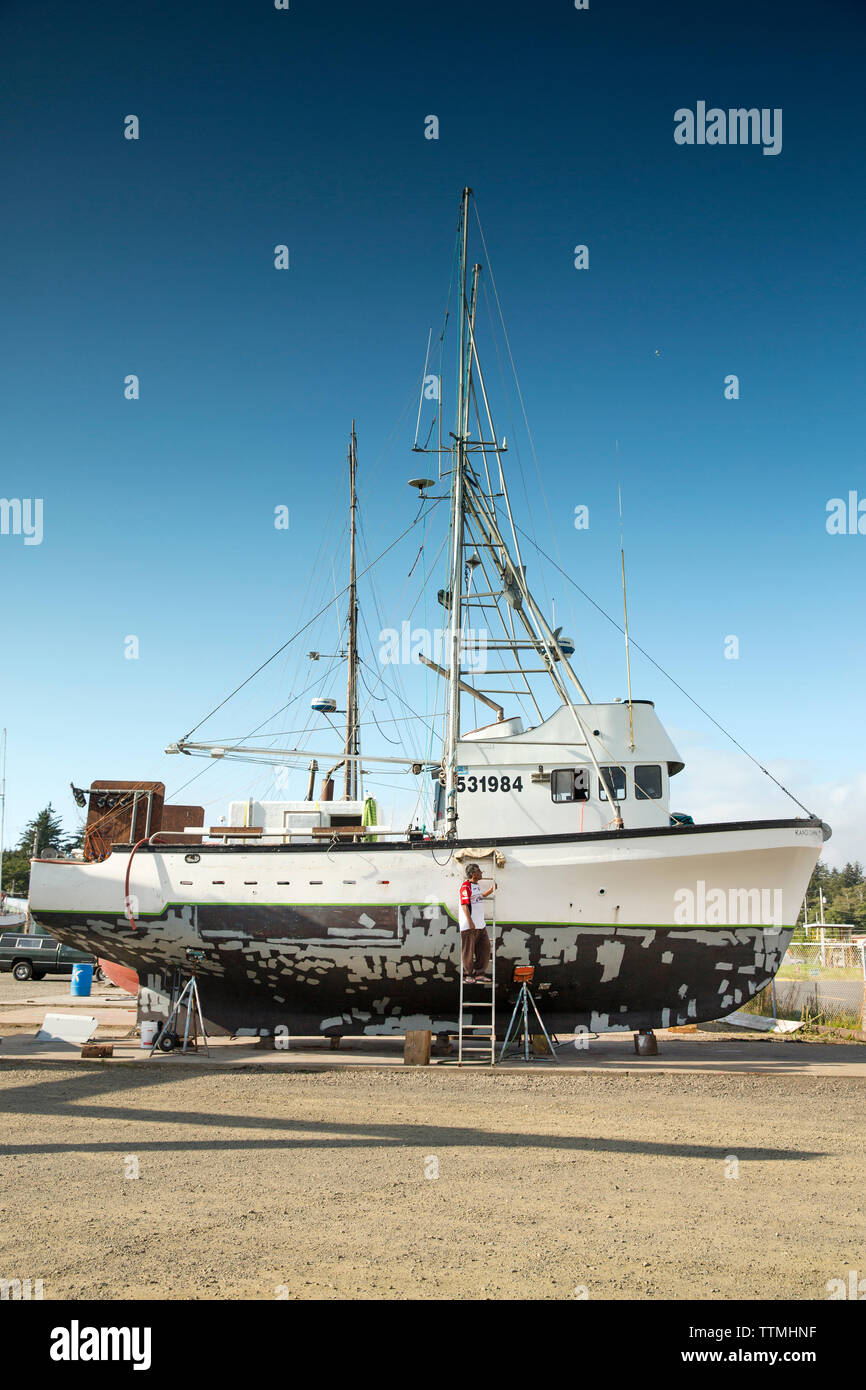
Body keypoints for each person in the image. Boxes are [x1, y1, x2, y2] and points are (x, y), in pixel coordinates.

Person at [458, 862, 495, 983]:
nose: (481, 873)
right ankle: (468, 974)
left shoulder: (476, 885)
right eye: (479, 871)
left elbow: (479, 897)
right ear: (473, 874)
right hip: (470, 926)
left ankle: (479, 973)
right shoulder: (465, 886)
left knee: (484, 948)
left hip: (480, 924)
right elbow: (464, 905)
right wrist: (470, 922)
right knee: (468, 950)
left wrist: (491, 890)